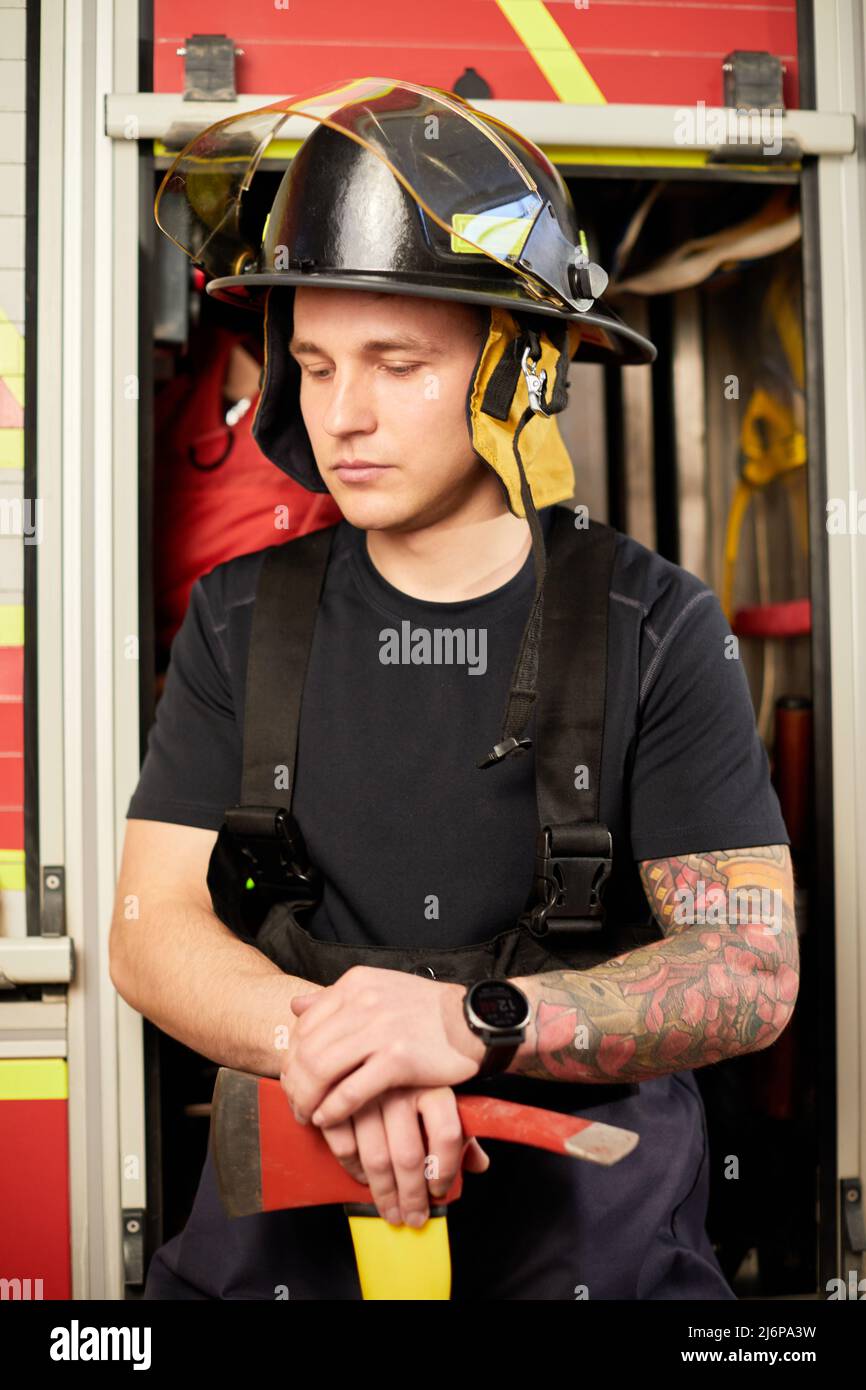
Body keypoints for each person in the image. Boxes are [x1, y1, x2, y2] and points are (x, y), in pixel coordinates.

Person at [110, 80, 799, 1300]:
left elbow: (747, 971)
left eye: (395, 362)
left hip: (591, 1238)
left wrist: (472, 1025)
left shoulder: (658, 625)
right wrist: (331, 1047)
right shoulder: (237, 618)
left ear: (522, 371)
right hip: (283, 1232)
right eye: (313, 365)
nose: (342, 414)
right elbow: (149, 929)